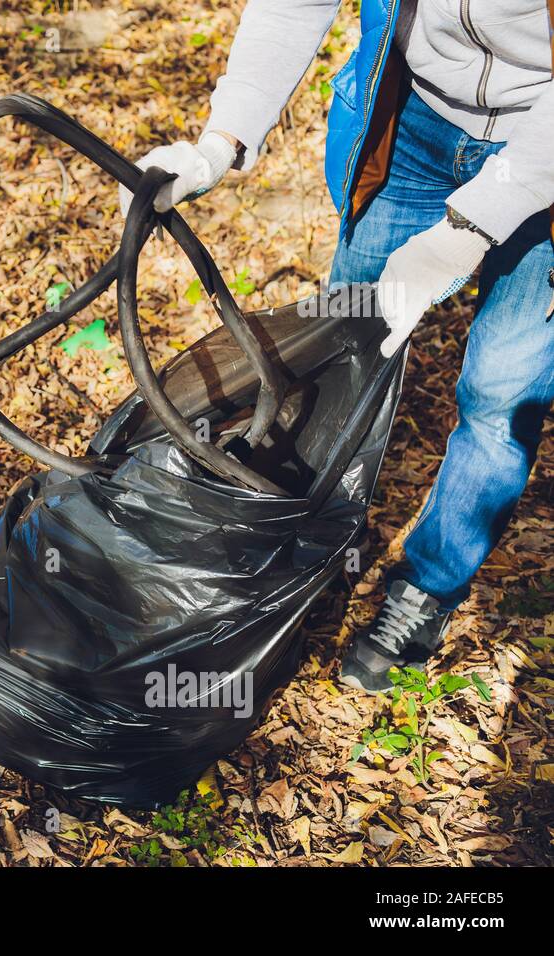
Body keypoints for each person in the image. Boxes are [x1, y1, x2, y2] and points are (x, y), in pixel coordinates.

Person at [122, 0, 554, 692]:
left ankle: (428, 588)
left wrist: (473, 224)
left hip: (545, 150)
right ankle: (299, 552)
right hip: (413, 121)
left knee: (502, 395)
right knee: (339, 357)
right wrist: (219, 141)